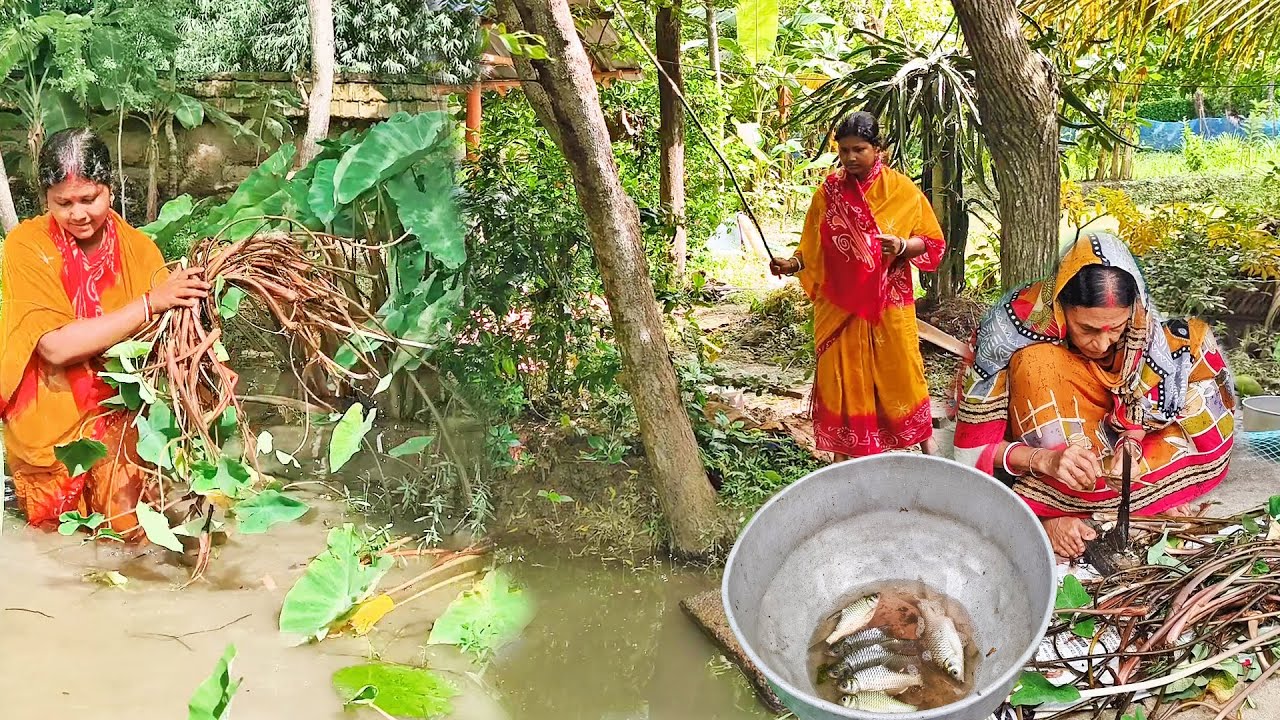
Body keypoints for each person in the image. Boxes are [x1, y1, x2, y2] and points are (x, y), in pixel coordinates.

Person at [954, 232, 1236, 559]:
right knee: (1036, 364)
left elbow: (1139, 410)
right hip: (1051, 442)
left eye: (1115, 328)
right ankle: (1054, 511)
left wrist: (1130, 447)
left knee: (1195, 348)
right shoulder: (1007, 331)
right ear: (1061, 306)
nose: (1102, 345)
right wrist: (1045, 460)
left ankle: (1138, 498)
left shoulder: (1140, 325)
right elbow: (974, 449)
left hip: (1107, 434)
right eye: (1087, 329)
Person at [0, 128, 209, 537]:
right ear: (46, 199)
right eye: (63, 203)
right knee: (58, 542)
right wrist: (149, 304)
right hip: (50, 429)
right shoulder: (27, 246)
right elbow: (55, 347)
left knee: (129, 536)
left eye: (88, 199)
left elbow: (162, 342)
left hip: (120, 423)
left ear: (109, 190)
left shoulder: (140, 251)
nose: (78, 214)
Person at [771, 111, 945, 459]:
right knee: (843, 378)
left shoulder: (901, 190)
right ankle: (844, 456)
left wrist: (901, 245)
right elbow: (811, 248)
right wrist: (790, 264)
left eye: (859, 149)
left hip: (888, 302)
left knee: (903, 373)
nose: (850, 157)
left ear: (877, 149)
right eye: (844, 150)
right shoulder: (828, 193)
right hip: (839, 305)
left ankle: (929, 450)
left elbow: (931, 242)